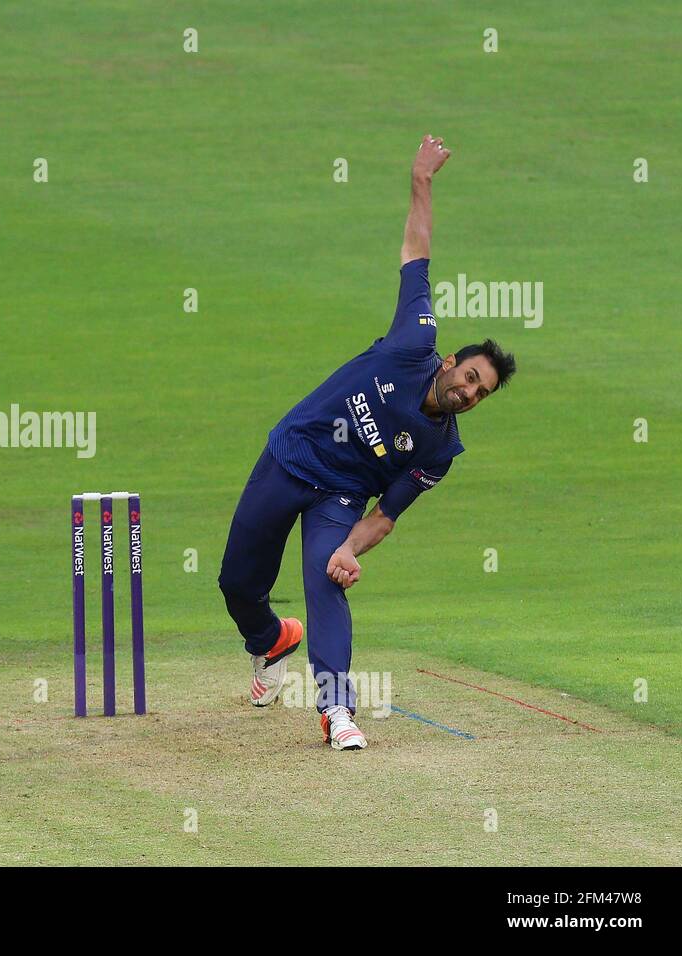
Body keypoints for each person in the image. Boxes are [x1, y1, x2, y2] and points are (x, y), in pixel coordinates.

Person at [218, 136, 517, 751]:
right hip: (291, 454)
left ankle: (336, 711)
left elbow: (387, 515)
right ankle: (271, 640)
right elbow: (417, 251)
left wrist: (349, 550)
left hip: (341, 497)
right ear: (454, 361)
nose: (468, 391)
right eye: (469, 376)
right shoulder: (414, 338)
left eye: (480, 393)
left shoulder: (440, 451)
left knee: (327, 584)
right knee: (237, 582)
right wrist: (422, 180)